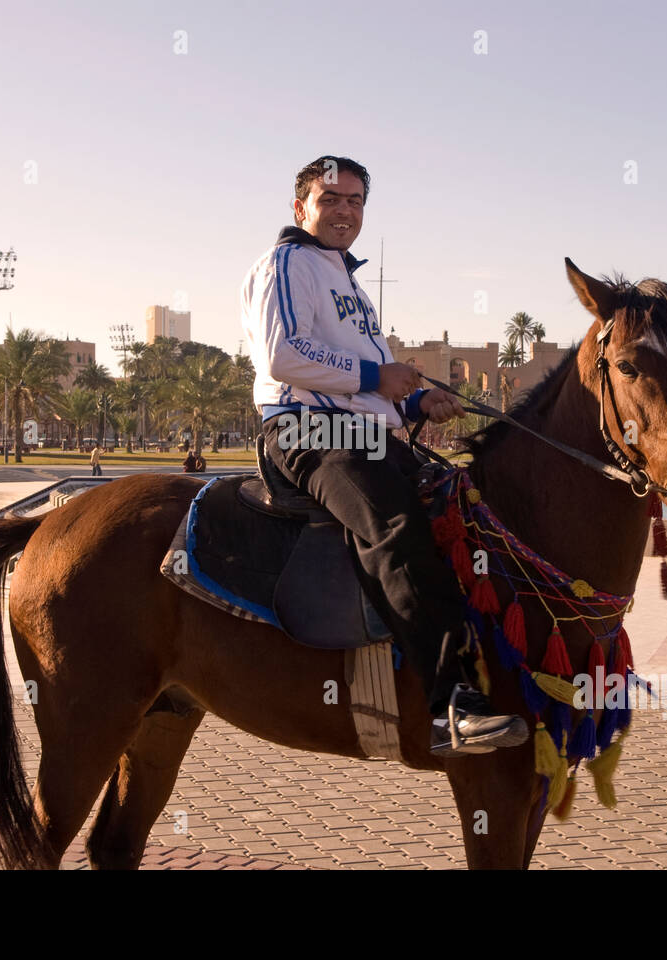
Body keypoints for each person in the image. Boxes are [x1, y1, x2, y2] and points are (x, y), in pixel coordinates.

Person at [240, 155, 527, 756]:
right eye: (331, 199)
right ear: (302, 209)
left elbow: (370, 388)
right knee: (395, 524)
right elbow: (284, 357)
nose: (344, 210)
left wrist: (419, 400)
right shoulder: (286, 263)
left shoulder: (343, 278)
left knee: (462, 504)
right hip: (304, 432)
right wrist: (382, 373)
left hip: (358, 431)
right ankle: (452, 704)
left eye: (355, 201)